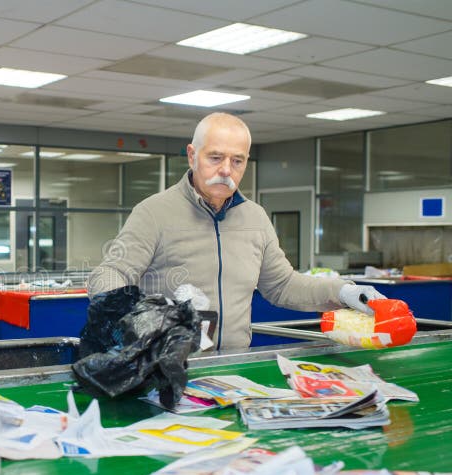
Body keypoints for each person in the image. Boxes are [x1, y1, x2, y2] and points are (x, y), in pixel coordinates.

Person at [88, 112, 383, 350]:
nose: (226, 170)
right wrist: (149, 312)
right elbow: (108, 275)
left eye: (237, 160)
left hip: (232, 371)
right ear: (192, 156)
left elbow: (282, 285)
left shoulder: (255, 218)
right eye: (215, 157)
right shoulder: (153, 213)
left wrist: (344, 292)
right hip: (163, 371)